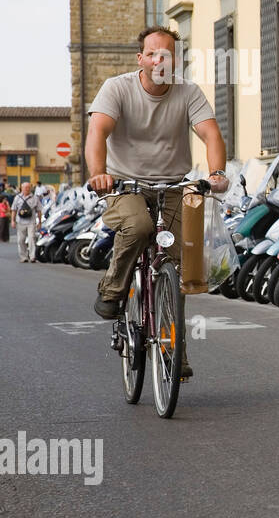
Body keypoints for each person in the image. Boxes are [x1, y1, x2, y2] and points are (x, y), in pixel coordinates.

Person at [85, 25, 229, 379]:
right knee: (139, 226)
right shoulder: (117, 88)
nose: (159, 60)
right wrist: (99, 172)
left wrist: (216, 172)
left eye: (166, 54)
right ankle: (113, 288)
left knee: (180, 265)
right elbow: (98, 132)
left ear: (175, 60)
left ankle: (174, 353)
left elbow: (210, 133)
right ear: (141, 59)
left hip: (174, 187)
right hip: (124, 186)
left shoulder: (188, 92)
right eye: (152, 54)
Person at [11, 181, 41, 261]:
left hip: (31, 222)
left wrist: (40, 222)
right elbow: (14, 210)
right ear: (22, 188)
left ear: (30, 188)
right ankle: (23, 257)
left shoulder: (35, 198)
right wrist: (13, 221)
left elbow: (39, 210)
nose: (27, 189)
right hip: (20, 222)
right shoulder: (17, 198)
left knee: (31, 238)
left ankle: (32, 256)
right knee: (21, 240)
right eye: (25, 188)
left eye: (28, 187)